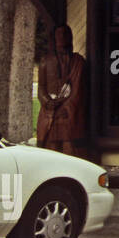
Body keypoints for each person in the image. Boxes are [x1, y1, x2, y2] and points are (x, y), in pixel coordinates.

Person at [37, 24, 86, 155]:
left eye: (65, 34)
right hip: (50, 114)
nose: (62, 37)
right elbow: (41, 88)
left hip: (70, 115)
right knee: (51, 150)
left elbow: (78, 91)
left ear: (70, 37)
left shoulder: (79, 62)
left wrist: (66, 108)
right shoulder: (45, 61)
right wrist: (48, 102)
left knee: (70, 149)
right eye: (59, 34)